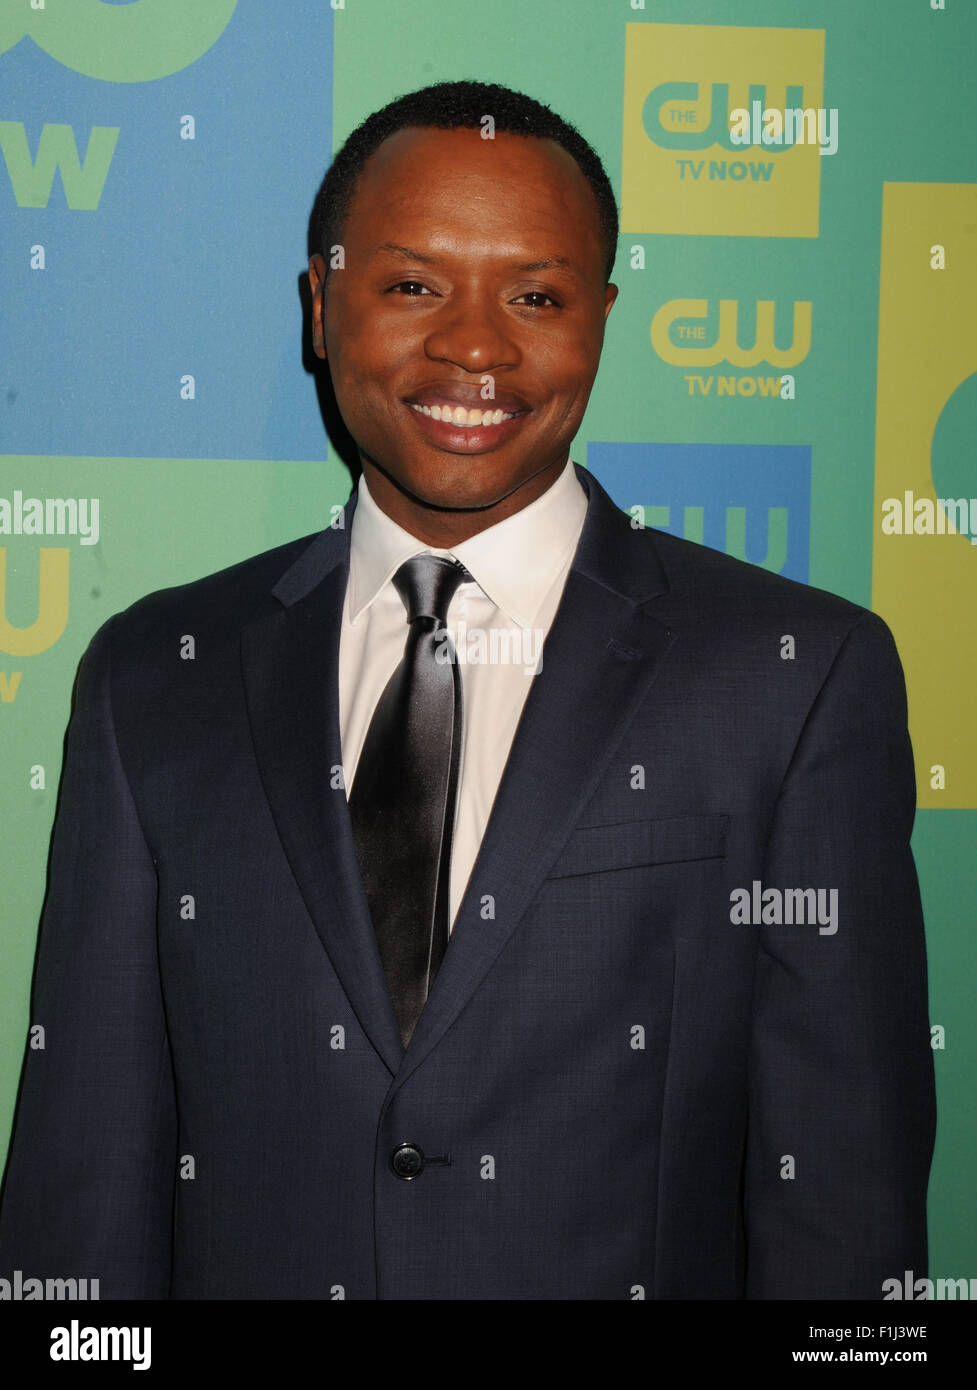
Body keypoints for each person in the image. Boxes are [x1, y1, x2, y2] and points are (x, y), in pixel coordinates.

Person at [0, 80, 935, 1300]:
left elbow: (843, 1207)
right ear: (321, 309)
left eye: (535, 295)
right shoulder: (153, 677)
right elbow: (87, 1178)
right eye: (411, 285)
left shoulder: (792, 677)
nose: (476, 346)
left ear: (601, 318)